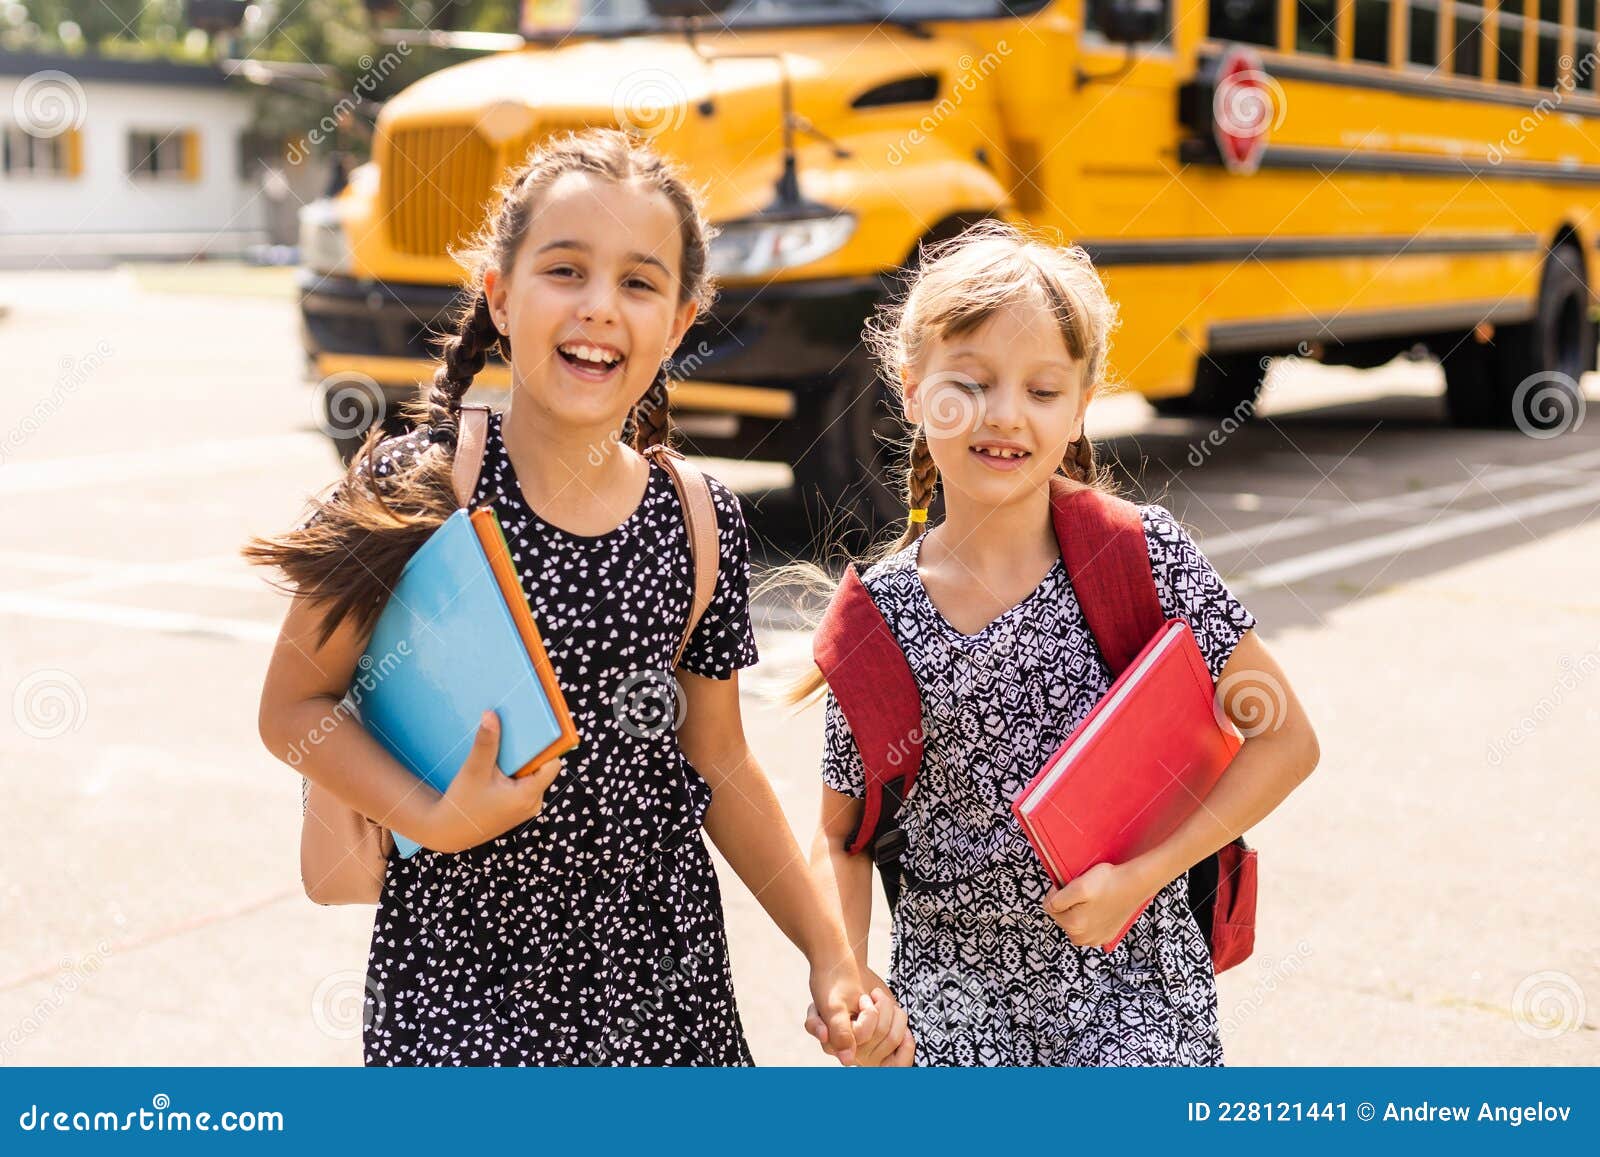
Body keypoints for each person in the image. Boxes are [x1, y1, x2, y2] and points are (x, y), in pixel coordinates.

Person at [247, 128, 900, 1066]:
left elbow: (719, 763)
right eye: (565, 270)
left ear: (678, 322)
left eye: (639, 283)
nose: (600, 308)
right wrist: (434, 818)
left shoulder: (696, 517)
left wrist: (830, 956)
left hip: (665, 993)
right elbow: (291, 707)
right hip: (461, 996)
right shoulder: (418, 487)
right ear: (501, 295)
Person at [796, 220, 1321, 1066]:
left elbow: (1287, 740)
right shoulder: (876, 619)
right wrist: (852, 988)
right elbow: (841, 836)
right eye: (970, 382)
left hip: (1136, 1004)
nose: (1006, 416)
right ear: (911, 386)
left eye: (1043, 392)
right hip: (949, 1021)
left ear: (1082, 404)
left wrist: (1147, 874)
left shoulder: (1142, 555)